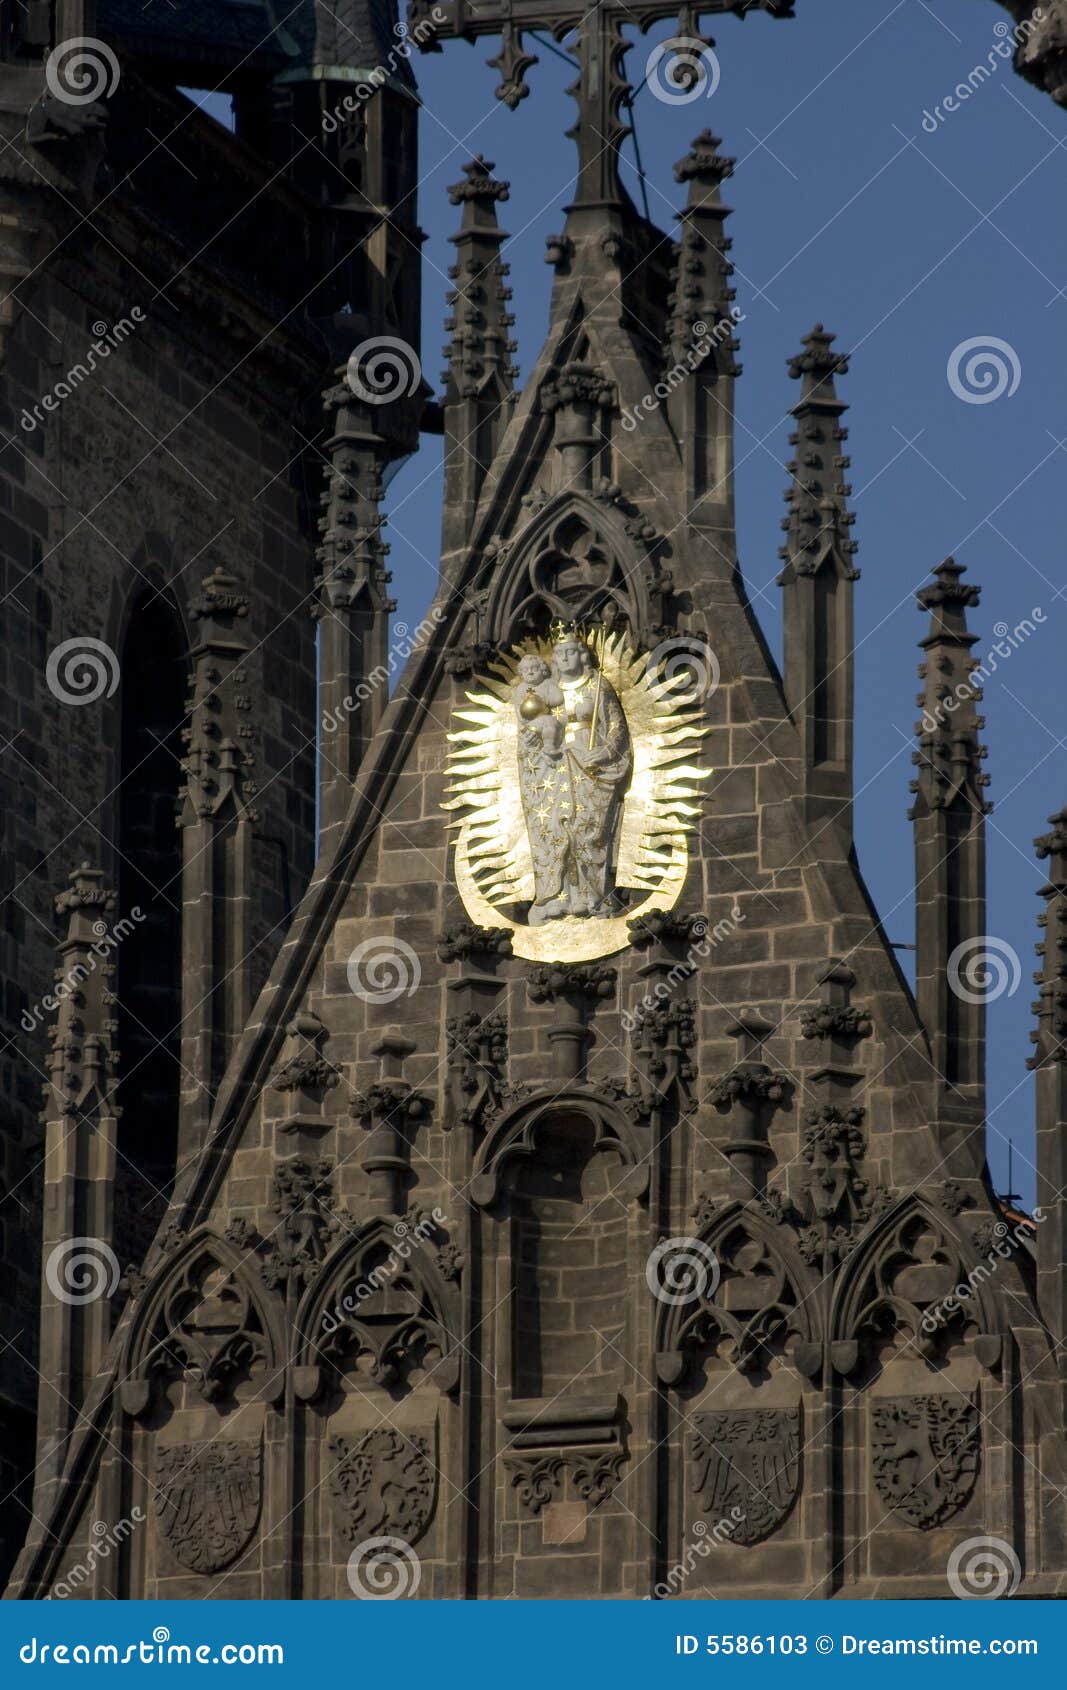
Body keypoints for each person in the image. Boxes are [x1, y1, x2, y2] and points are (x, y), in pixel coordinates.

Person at [513, 629, 632, 923]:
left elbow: (616, 726)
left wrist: (604, 752)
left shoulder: (597, 685)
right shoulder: (545, 688)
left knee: (589, 830)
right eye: (559, 652)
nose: (564, 657)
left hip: (591, 766)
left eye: (570, 651)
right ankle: (559, 897)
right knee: (555, 830)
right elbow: (529, 727)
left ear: (581, 655)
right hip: (553, 768)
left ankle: (593, 896)